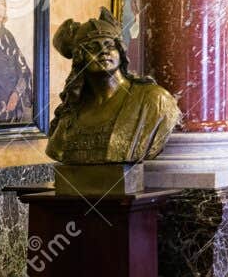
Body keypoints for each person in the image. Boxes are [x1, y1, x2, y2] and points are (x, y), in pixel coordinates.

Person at [46, 9, 179, 165]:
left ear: (120, 51)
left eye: (109, 45)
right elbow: (56, 150)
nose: (103, 52)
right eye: (93, 48)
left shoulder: (154, 100)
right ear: (79, 59)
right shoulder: (70, 113)